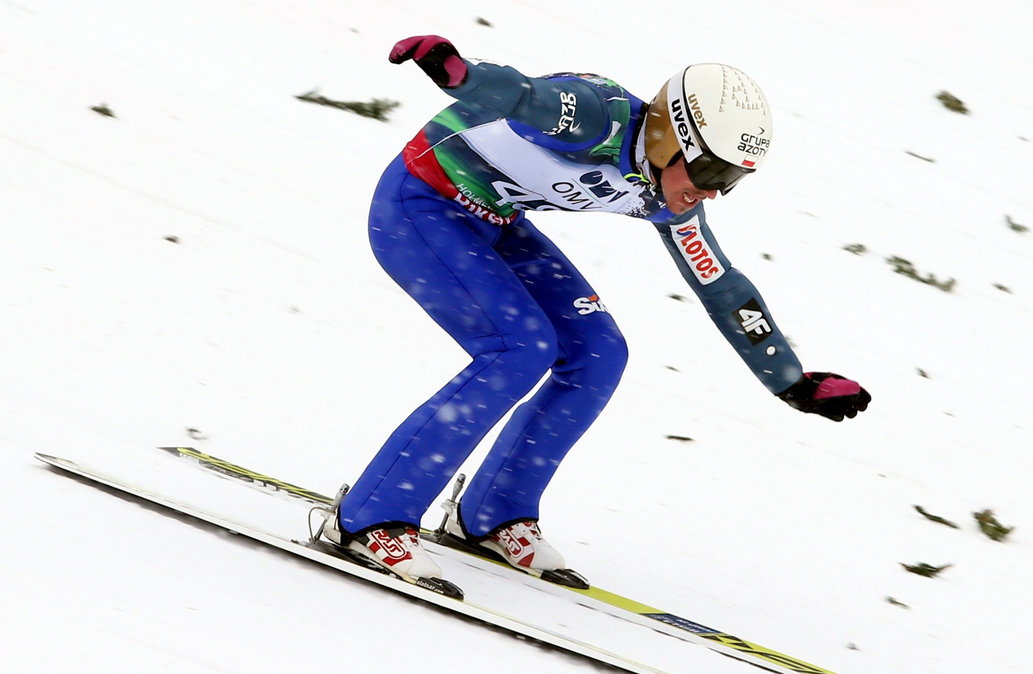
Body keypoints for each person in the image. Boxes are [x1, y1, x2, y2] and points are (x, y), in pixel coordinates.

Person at [320, 35, 871, 591]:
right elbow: (524, 96)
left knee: (599, 353)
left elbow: (719, 283)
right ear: (668, 137)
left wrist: (790, 380)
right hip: (419, 204)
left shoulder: (666, 193)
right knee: (519, 348)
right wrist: (461, 75)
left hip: (494, 219)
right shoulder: (596, 118)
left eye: (730, 181)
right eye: (709, 174)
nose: (712, 193)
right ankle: (374, 517)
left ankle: (493, 512)